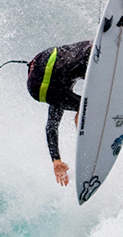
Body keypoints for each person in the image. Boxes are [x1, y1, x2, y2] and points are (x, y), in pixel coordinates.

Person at [24, 39, 92, 187]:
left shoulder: (61, 85)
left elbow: (52, 126)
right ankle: (87, 148)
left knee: (86, 107)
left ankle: (87, 149)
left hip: (42, 79)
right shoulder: (80, 64)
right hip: (45, 73)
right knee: (88, 107)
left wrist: (56, 159)